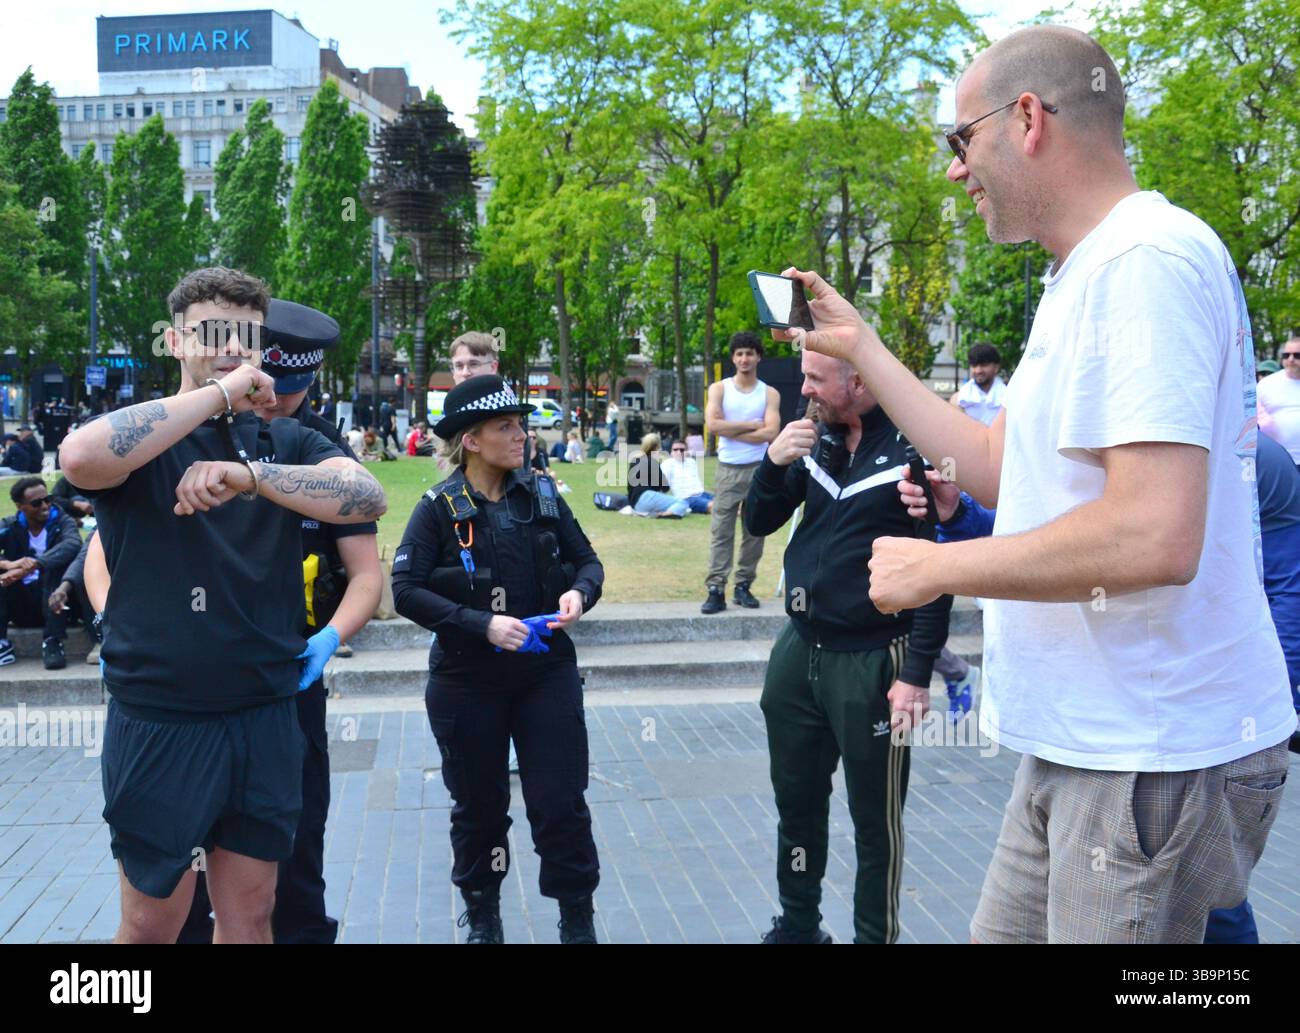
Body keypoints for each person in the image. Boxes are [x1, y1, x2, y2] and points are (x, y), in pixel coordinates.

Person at [780, 25, 1293, 943]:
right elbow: (993, 463)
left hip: (1146, 752)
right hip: (1087, 740)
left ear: (1026, 119)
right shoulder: (1082, 275)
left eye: (958, 141)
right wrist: (865, 349)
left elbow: (1154, 536)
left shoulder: (1145, 263)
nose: (953, 171)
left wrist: (940, 568)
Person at [58, 266, 387, 944]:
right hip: (161, 715)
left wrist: (250, 476)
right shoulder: (144, 439)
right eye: (213, 334)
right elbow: (81, 457)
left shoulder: (285, 441)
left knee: (251, 913)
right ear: (176, 341)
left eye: (246, 338)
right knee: (152, 922)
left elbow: (366, 497)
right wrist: (217, 396)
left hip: (261, 711)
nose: (232, 348)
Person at [170, 297, 383, 946]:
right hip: (183, 688)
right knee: (178, 879)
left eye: (290, 393)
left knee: (293, 859)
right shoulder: (179, 431)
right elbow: (102, 553)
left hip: (285, 679)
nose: (274, 404)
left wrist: (329, 638)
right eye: (268, 389)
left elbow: (367, 570)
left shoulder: (313, 445)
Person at [745, 349, 952, 944]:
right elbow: (759, 522)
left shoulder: (914, 451)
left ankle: (873, 937)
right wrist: (771, 460)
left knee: (875, 823)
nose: (802, 387)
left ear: (858, 381)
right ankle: (800, 926)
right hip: (798, 648)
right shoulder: (816, 438)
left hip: (873, 657)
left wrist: (915, 673)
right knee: (796, 804)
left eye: (815, 378)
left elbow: (935, 573)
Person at [390, 375, 604, 943]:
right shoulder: (437, 509)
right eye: (506, 427)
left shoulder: (543, 494)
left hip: (545, 673)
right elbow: (405, 589)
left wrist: (579, 594)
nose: (522, 437)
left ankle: (576, 920)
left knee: (560, 802)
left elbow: (589, 563)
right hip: (466, 681)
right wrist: (481, 624)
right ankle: (483, 918)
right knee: (480, 808)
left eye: (522, 425)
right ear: (472, 441)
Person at [702, 332, 780, 613]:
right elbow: (713, 425)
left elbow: (771, 432)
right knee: (721, 531)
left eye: (749, 353)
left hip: (759, 470)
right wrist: (750, 425)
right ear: (733, 358)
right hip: (728, 469)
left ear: (758, 356)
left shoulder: (769, 393)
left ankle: (743, 586)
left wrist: (732, 427)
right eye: (739, 354)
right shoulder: (719, 389)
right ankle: (716, 588)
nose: (744, 359)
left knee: (754, 532)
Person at [0, 477, 82, 669]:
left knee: (56, 568)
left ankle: (53, 641)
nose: (45, 505)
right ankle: (2, 643)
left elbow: (72, 544)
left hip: (59, 603)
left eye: (48, 499)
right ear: (21, 507)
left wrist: (34, 564)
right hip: (21, 605)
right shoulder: (10, 526)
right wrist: (8, 565)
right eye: (37, 503)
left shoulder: (62, 521)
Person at [1258, 337, 1300, 466]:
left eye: (1297, 355)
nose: (1291, 359)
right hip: (1279, 462)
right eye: (1286, 355)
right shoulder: (1266, 384)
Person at [628, 433, 688, 518]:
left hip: (634, 504)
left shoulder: (635, 460)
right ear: (656, 447)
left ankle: (659, 512)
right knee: (682, 503)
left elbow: (630, 487)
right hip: (646, 499)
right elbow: (665, 487)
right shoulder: (653, 461)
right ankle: (664, 515)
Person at [662, 439, 713, 513]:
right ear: (671, 452)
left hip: (702, 493)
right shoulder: (667, 464)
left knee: (727, 501)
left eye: (682, 449)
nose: (679, 452)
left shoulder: (691, 462)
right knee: (714, 506)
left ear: (687, 451)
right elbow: (663, 485)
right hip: (687, 498)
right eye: (675, 450)